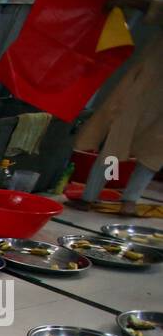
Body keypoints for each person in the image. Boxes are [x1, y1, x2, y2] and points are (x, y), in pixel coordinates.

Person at [68, 26, 163, 217]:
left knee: (136, 146)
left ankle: (104, 198)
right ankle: (114, 199)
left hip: (146, 86)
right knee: (136, 145)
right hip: (148, 85)